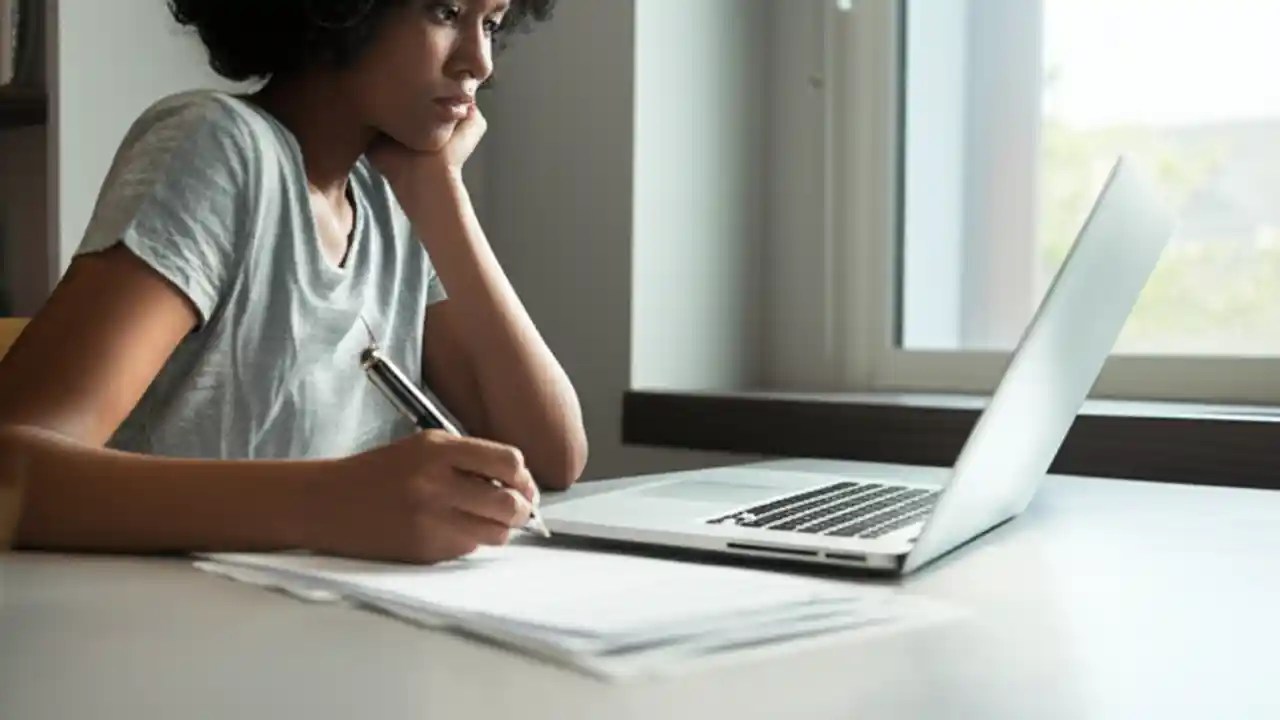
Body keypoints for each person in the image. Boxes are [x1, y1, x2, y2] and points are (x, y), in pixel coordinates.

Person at [0, 0, 587, 563]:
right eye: (444, 12)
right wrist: (332, 502)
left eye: (492, 22)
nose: (479, 62)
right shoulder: (220, 149)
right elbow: (11, 474)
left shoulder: (395, 195)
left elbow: (551, 454)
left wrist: (441, 191)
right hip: (158, 639)